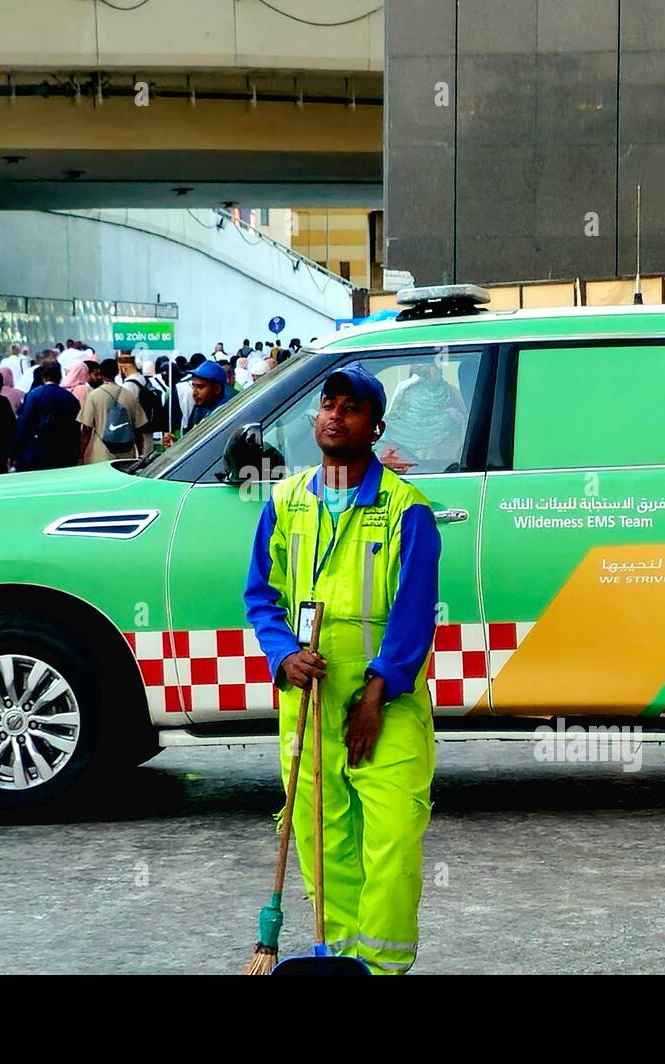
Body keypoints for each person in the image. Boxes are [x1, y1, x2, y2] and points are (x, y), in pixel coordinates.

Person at [244, 361, 440, 976]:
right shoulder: (285, 502)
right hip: (308, 698)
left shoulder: (406, 509)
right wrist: (282, 655)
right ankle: (344, 963)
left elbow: (415, 611)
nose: (335, 414)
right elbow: (261, 595)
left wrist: (377, 693)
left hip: (388, 700)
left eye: (351, 407)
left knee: (392, 842)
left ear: (374, 426)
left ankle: (381, 970)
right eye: (328, 404)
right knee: (323, 841)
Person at [12, 362, 82, 472]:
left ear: (44, 377)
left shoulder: (34, 395)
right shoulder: (70, 398)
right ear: (59, 377)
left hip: (38, 451)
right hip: (63, 452)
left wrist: (15, 451)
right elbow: (75, 427)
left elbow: (24, 424)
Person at [77, 358, 147, 463]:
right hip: (126, 452)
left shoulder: (94, 396)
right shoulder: (129, 396)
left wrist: (81, 454)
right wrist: (141, 453)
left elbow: (87, 429)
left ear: (101, 373)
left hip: (102, 452)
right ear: (117, 372)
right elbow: (138, 429)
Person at [183, 359, 235, 430]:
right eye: (193, 386)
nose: (194, 392)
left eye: (200, 387)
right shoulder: (199, 409)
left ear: (217, 389)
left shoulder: (228, 413)